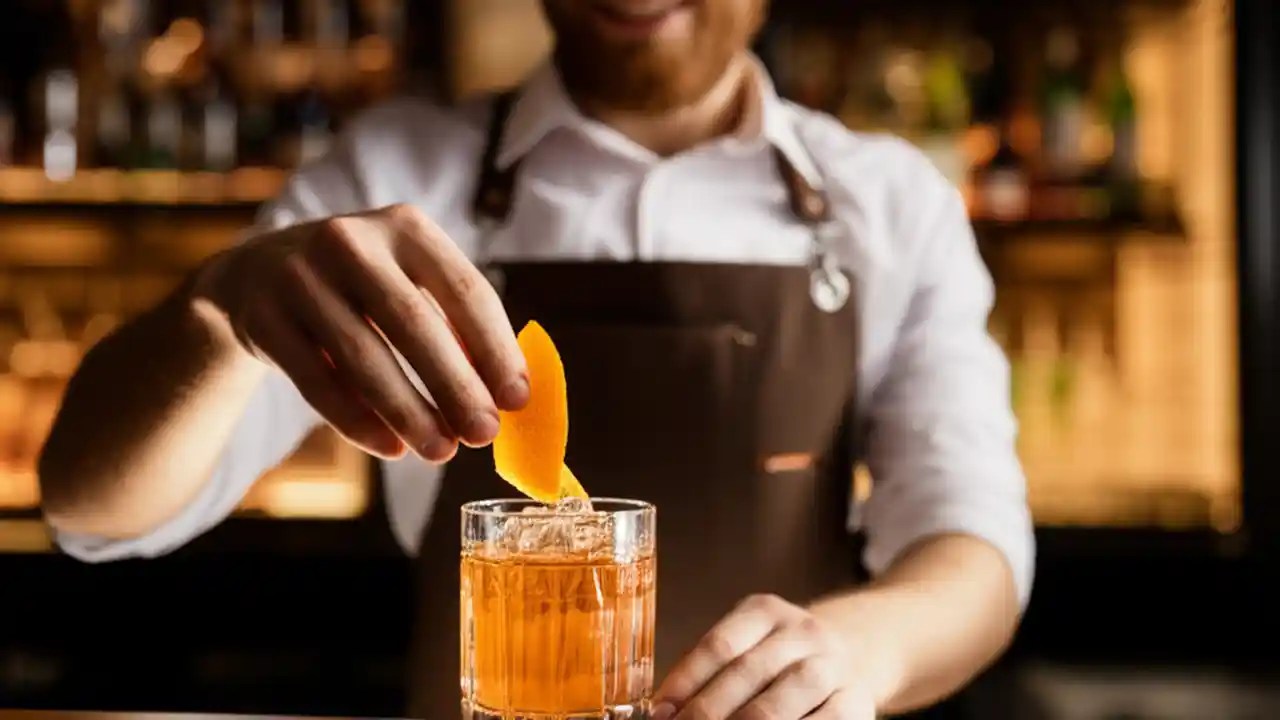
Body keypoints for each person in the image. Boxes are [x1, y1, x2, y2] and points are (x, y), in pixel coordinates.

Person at [38, 1, 1034, 718]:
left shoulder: (890, 202)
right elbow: (93, 512)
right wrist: (222, 312)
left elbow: (972, 544)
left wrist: (860, 647)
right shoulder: (389, 176)